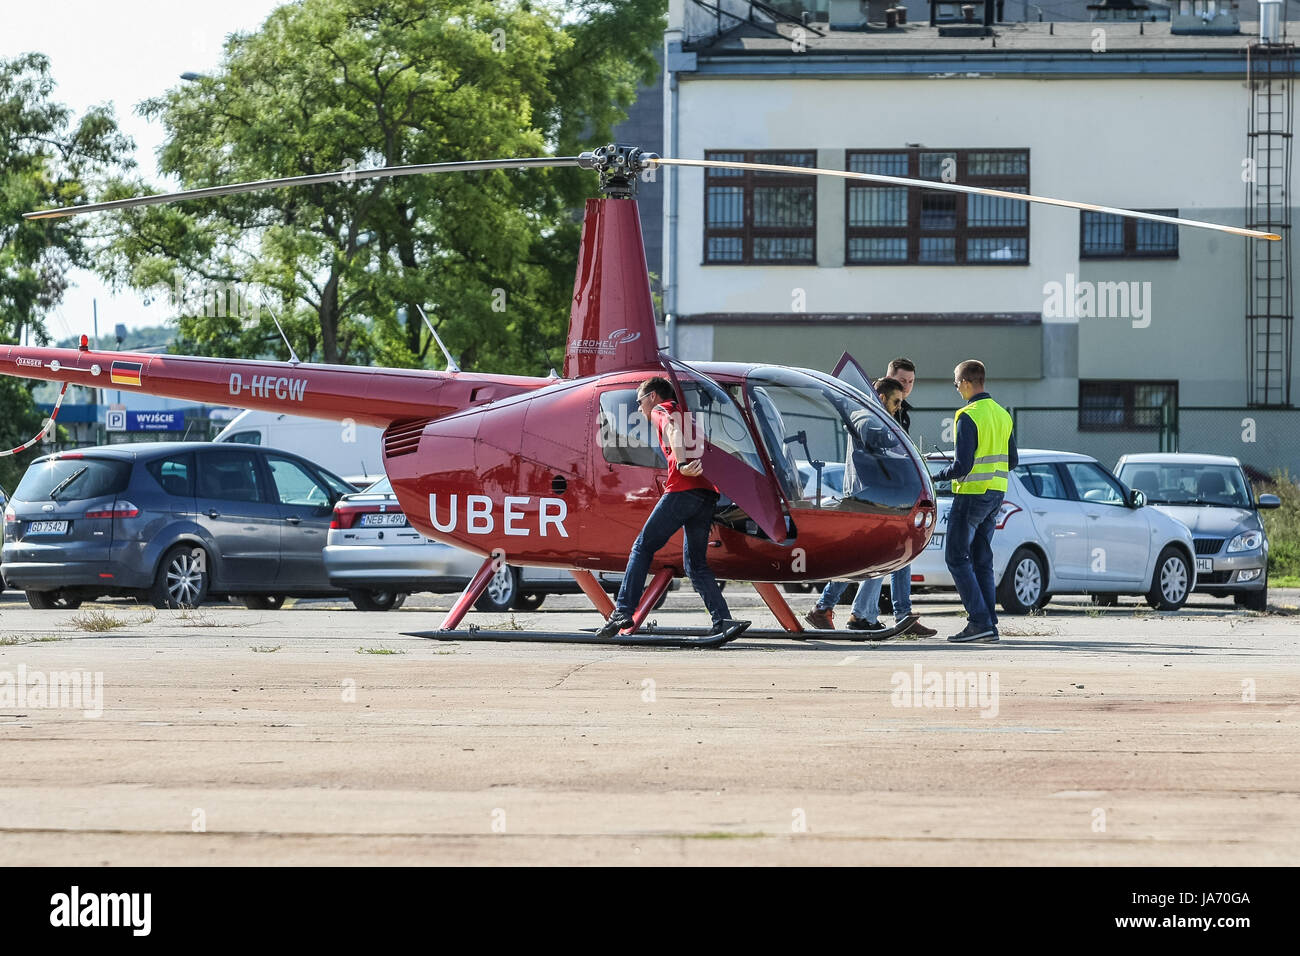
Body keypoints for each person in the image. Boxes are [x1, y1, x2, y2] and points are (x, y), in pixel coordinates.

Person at [597, 378, 749, 639]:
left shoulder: (662, 410)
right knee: (695, 564)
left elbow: (671, 430)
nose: (639, 408)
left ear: (652, 396)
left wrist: (680, 465)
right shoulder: (686, 415)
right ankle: (723, 620)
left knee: (642, 546)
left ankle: (622, 610)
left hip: (683, 489)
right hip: (706, 493)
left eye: (639, 401)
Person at [803, 377, 937, 638]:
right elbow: (875, 452)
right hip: (871, 499)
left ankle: (859, 614)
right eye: (896, 401)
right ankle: (838, 609)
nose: (899, 407)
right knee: (877, 557)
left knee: (883, 557)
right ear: (882, 397)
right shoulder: (868, 421)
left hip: (879, 499)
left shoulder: (875, 419)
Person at [931, 359, 1018, 644]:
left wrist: (937, 475)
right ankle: (989, 622)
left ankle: (979, 621)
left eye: (956, 383)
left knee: (956, 557)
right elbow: (1013, 460)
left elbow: (963, 465)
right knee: (981, 557)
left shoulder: (967, 415)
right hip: (996, 495)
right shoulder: (1002, 415)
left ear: (967, 382)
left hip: (971, 495)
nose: (956, 388)